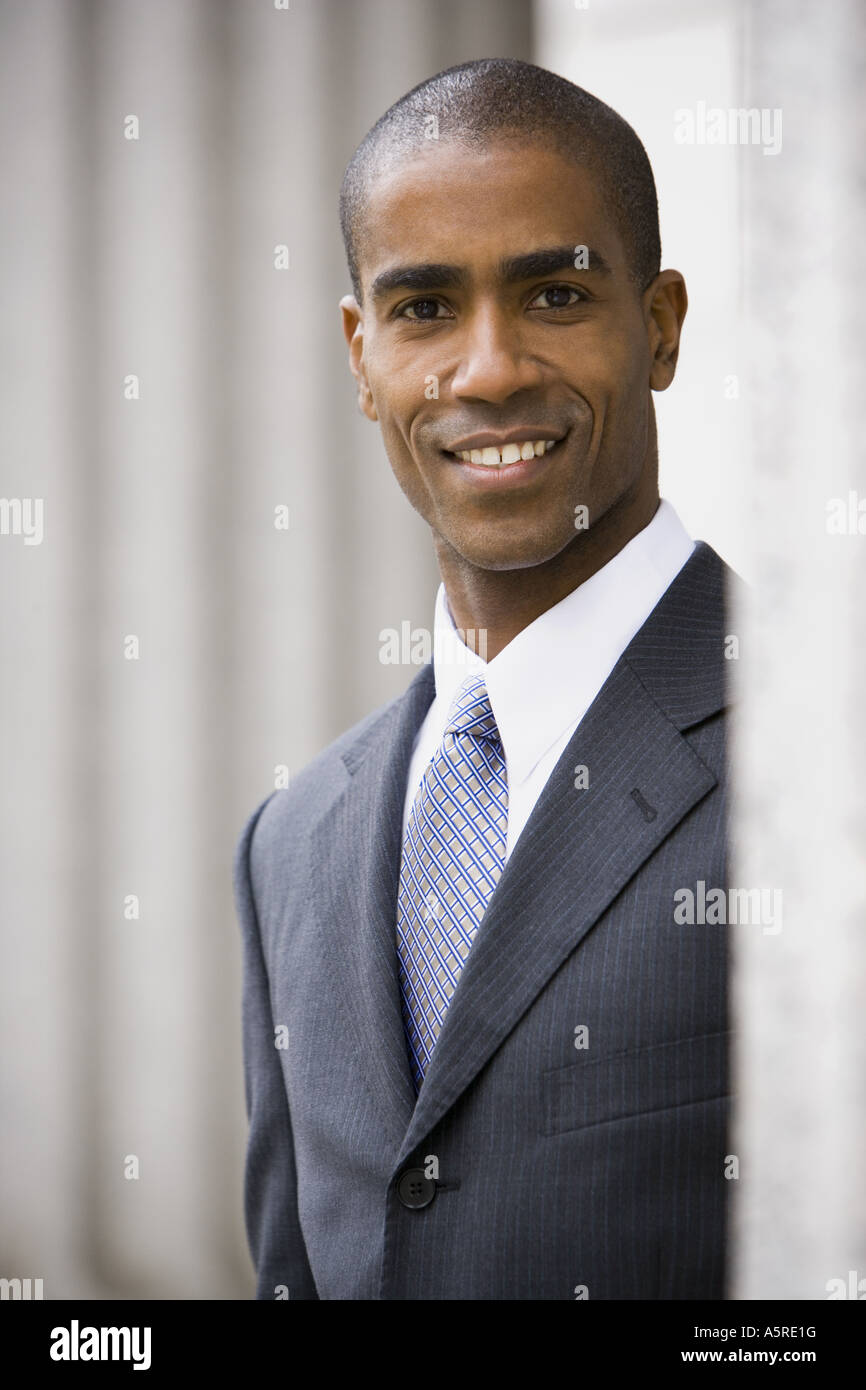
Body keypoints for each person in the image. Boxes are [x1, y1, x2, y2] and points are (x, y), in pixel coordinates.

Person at [234, 58, 742, 1300]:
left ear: (659, 322)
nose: (488, 369)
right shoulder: (291, 841)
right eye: (421, 311)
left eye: (554, 293)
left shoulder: (823, 748)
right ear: (362, 356)